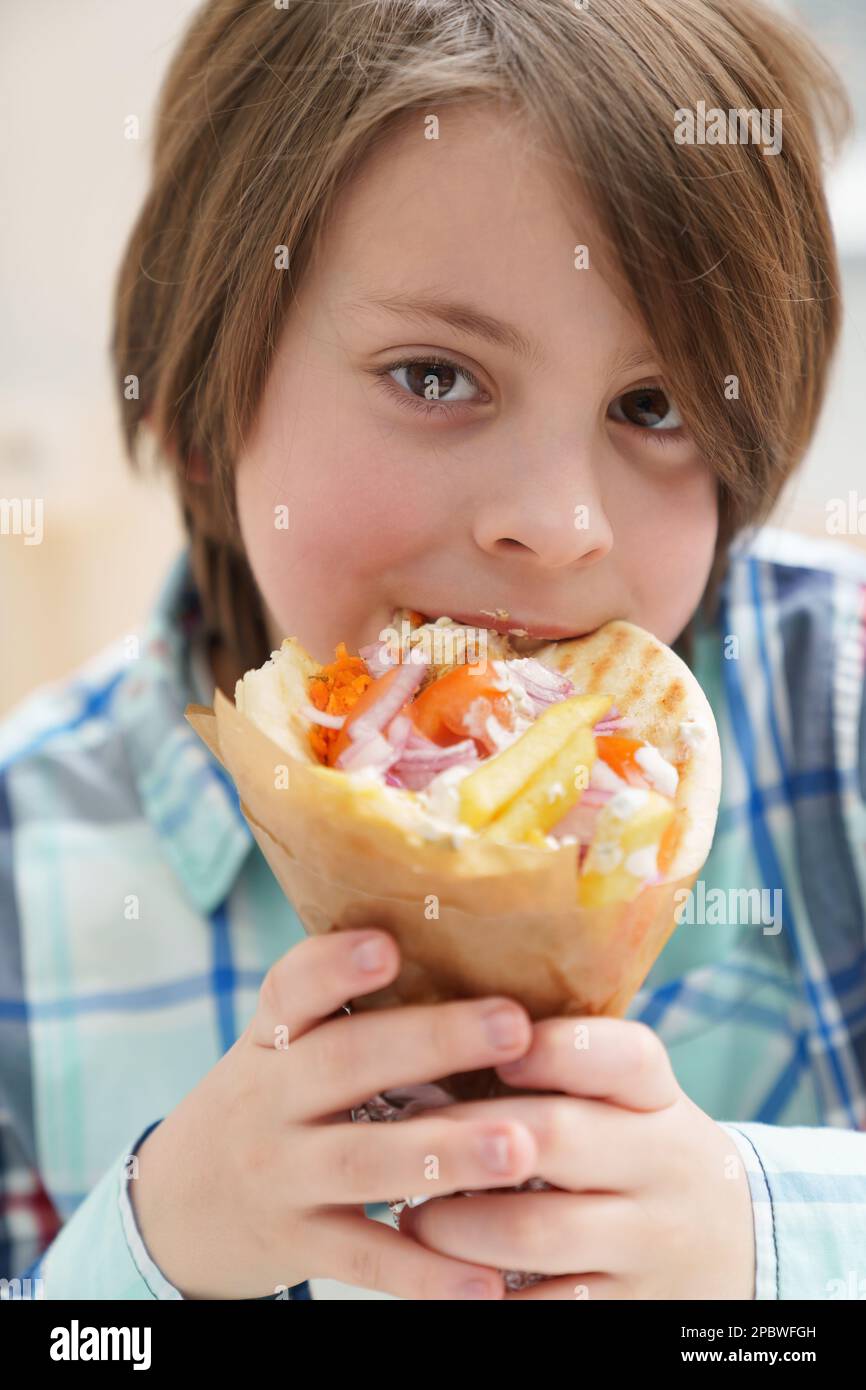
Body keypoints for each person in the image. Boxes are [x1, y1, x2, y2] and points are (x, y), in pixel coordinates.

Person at [2, 0, 865, 1301]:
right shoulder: (26, 863)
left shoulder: (836, 713)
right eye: (433, 376)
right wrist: (146, 1250)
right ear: (198, 404)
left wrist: (764, 1248)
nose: (557, 524)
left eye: (654, 404)